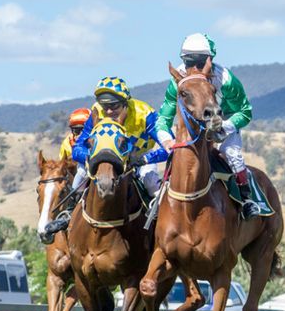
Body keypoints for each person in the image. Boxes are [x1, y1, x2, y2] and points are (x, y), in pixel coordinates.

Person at [43, 77, 167, 236]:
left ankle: (161, 224)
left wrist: (144, 160)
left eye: (114, 106)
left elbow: (169, 148)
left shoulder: (146, 113)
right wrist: (91, 157)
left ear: (125, 102)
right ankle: (69, 212)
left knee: (150, 181)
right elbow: (77, 149)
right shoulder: (96, 111)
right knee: (82, 172)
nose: (108, 111)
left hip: (139, 157)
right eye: (105, 105)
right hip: (107, 157)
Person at [155, 33, 259, 219]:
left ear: (210, 60)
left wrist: (224, 127)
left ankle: (246, 199)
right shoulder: (177, 80)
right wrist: (166, 140)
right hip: (194, 127)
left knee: (231, 153)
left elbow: (245, 112)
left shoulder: (226, 79)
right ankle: (157, 203)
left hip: (224, 119)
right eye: (188, 62)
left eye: (200, 61)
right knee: (177, 157)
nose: (194, 67)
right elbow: (163, 118)